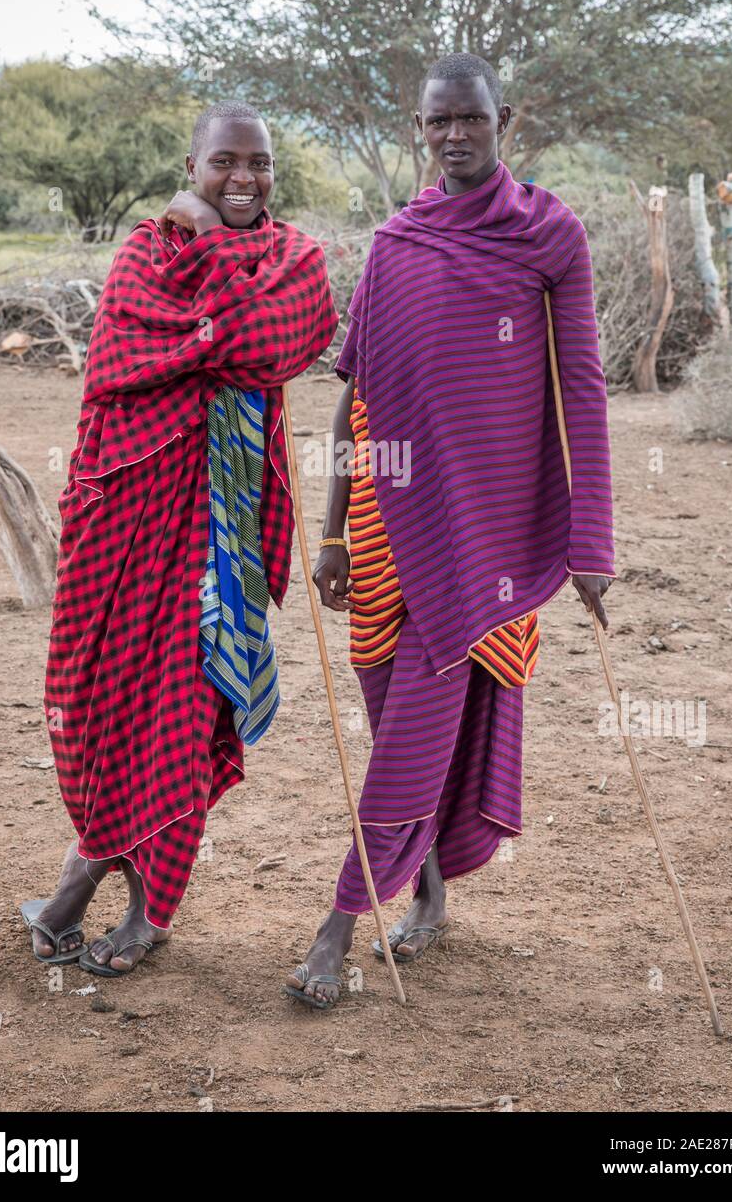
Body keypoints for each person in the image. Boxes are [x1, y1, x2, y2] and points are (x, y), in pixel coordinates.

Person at [285, 54, 615, 1008]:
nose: (456, 136)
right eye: (440, 123)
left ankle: (336, 929)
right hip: (389, 526)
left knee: (413, 734)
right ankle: (427, 897)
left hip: (490, 538)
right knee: (399, 722)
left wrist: (588, 544)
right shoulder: (396, 241)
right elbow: (357, 391)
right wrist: (336, 532)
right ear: (419, 129)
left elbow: (582, 388)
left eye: (472, 119)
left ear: (501, 118)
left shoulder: (548, 234)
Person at [23, 102, 338, 976]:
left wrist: (203, 246)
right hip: (123, 522)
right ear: (191, 165)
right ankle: (84, 867)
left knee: (184, 709)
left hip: (219, 539)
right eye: (224, 164)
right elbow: (127, 359)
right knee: (91, 698)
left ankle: (149, 908)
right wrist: (214, 309)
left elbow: (278, 340)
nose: (244, 179)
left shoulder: (299, 258)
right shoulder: (138, 252)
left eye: (260, 164)